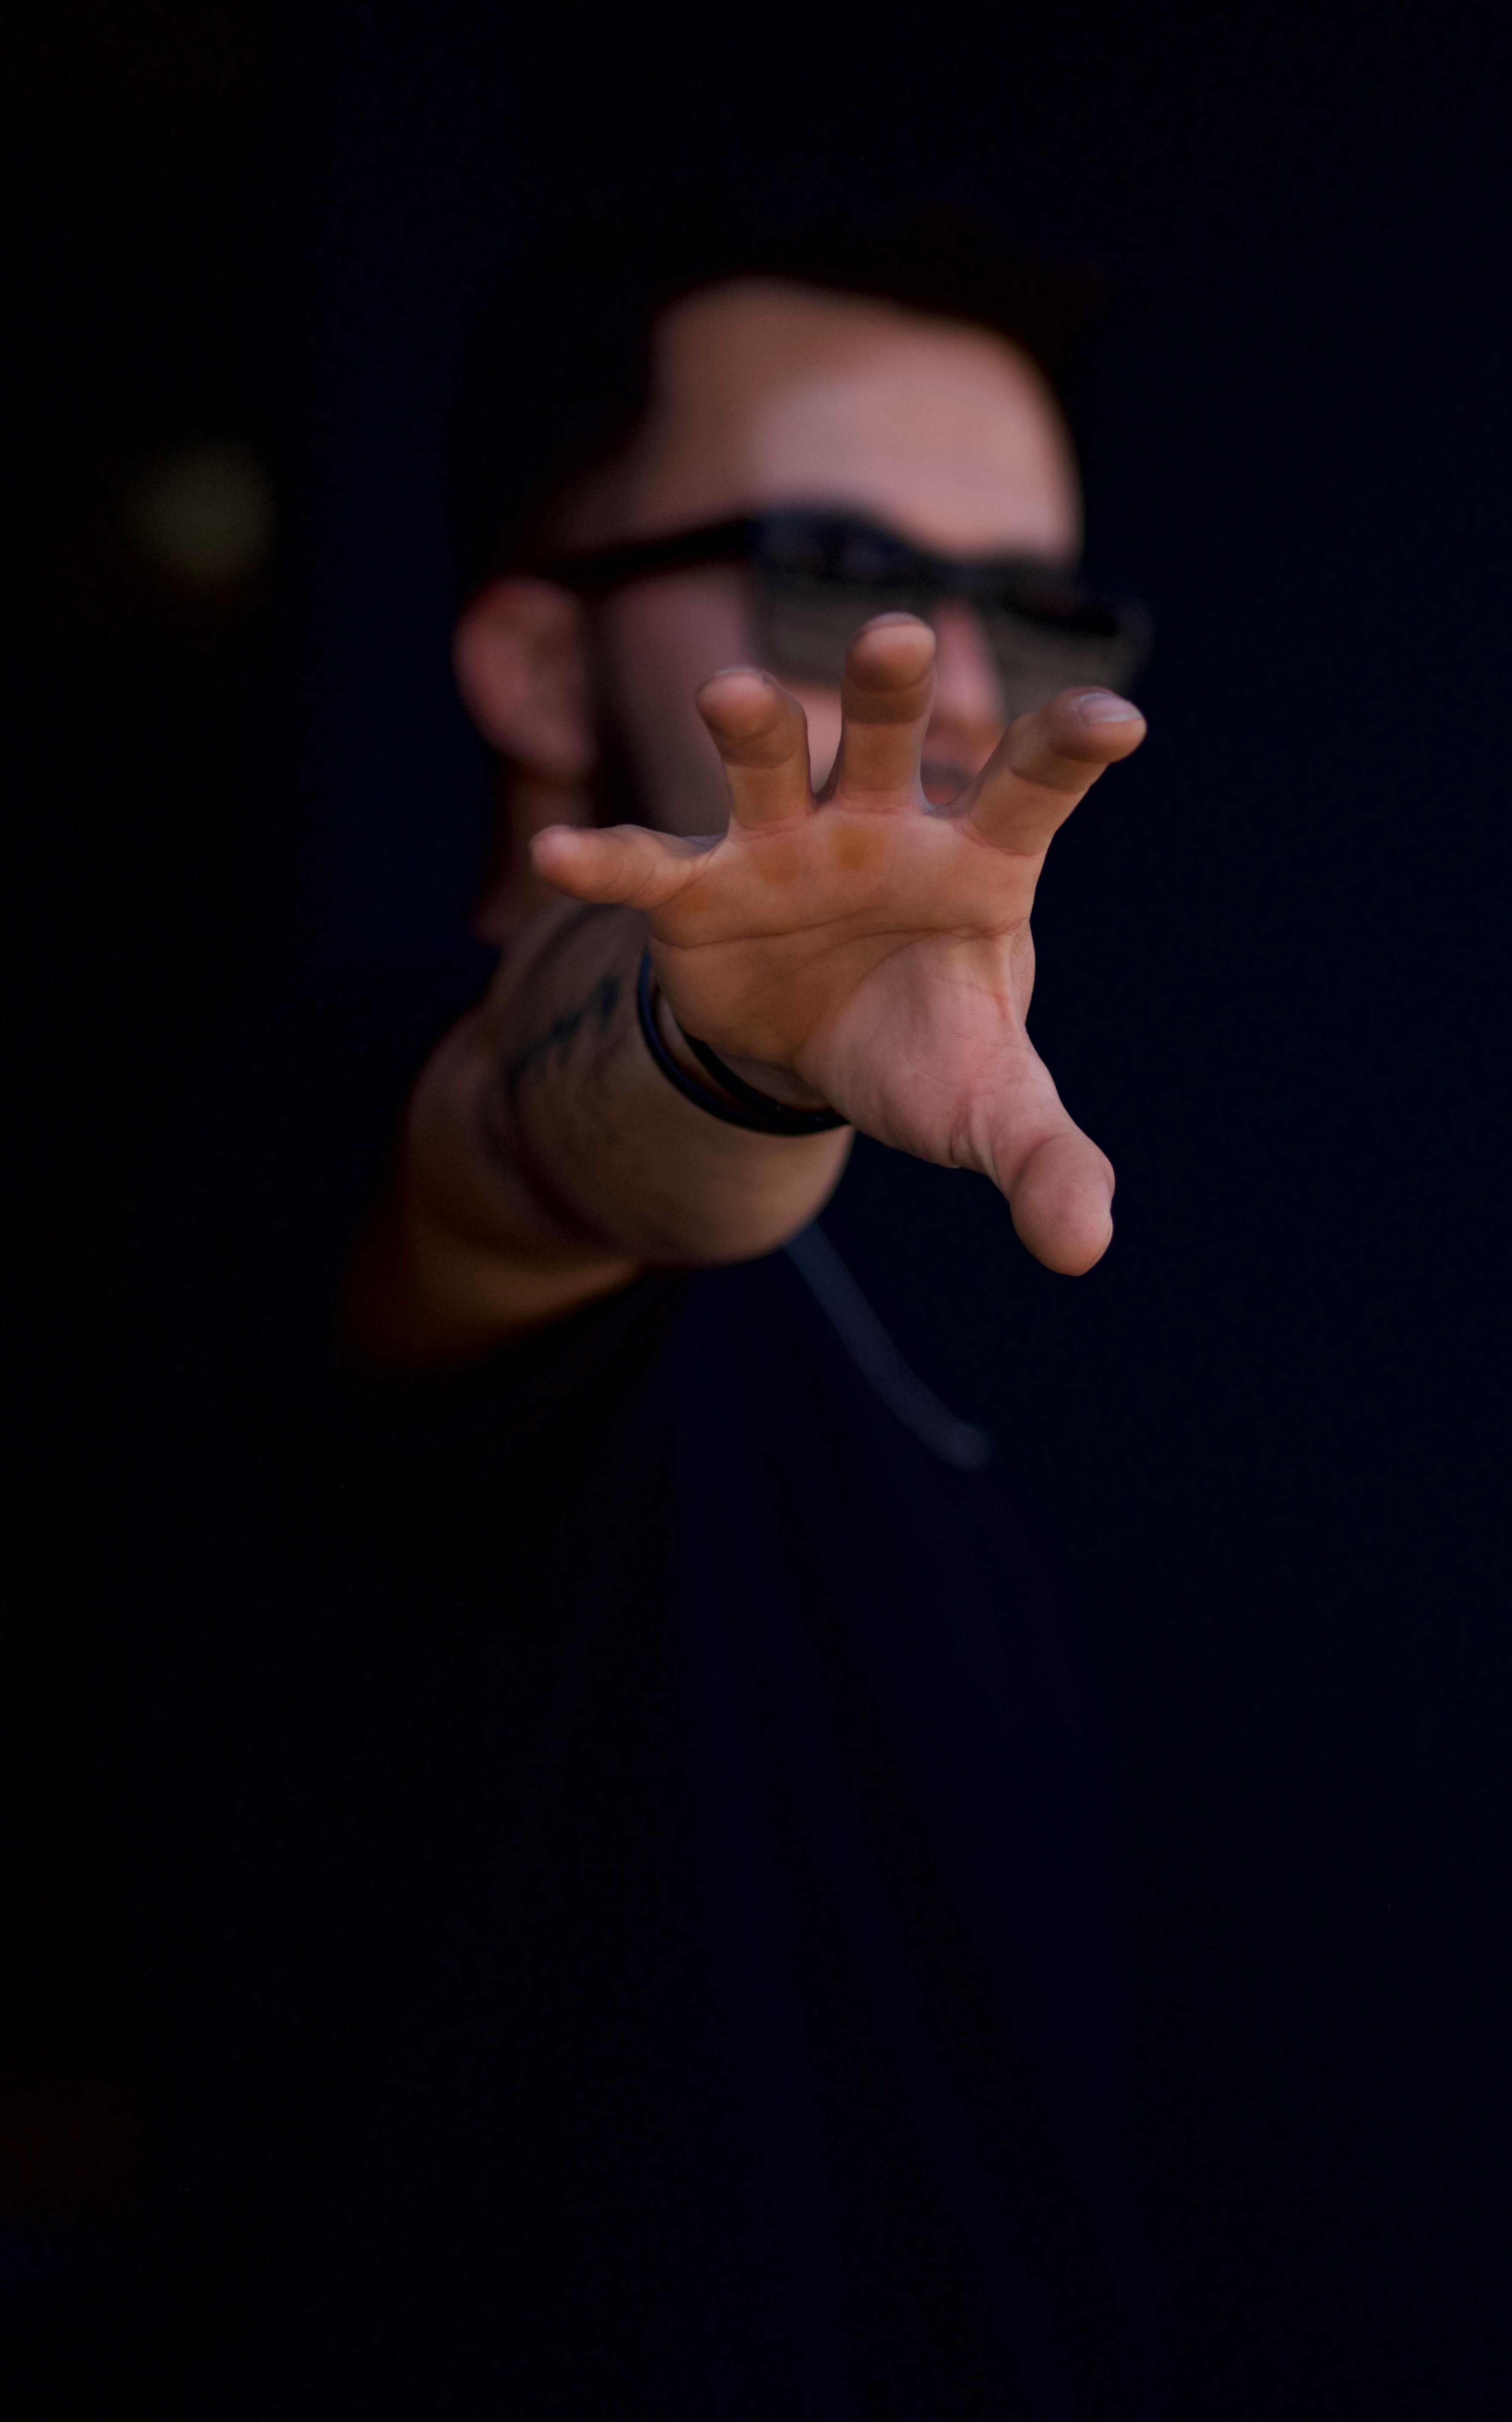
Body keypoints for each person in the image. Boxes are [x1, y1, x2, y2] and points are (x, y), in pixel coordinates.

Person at [108, 202, 1165, 2419]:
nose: (961, 678)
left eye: (1025, 596)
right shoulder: (357, 1092)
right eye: (837, 570)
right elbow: (530, 1132)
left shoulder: (902, 1294)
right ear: (527, 666)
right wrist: (717, 1050)